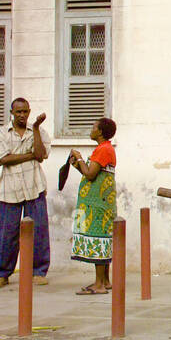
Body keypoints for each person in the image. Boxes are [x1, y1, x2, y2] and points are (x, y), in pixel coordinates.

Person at [0, 99, 51, 288]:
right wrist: (30, 155)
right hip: (10, 189)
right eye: (18, 112)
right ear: (12, 112)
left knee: (39, 231)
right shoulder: (1, 133)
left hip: (34, 187)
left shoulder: (38, 132)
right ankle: (2, 273)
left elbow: (41, 155)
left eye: (25, 112)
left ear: (29, 112)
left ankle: (39, 271)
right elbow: (3, 159)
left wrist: (35, 128)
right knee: (7, 233)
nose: (22, 115)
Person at [69, 118, 118, 294]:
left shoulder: (103, 149)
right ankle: (104, 281)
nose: (91, 130)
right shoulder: (105, 149)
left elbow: (90, 174)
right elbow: (92, 172)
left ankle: (99, 285)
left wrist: (81, 158)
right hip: (101, 203)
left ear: (100, 132)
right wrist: (78, 165)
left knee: (99, 238)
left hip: (97, 205)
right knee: (103, 238)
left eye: (94, 127)